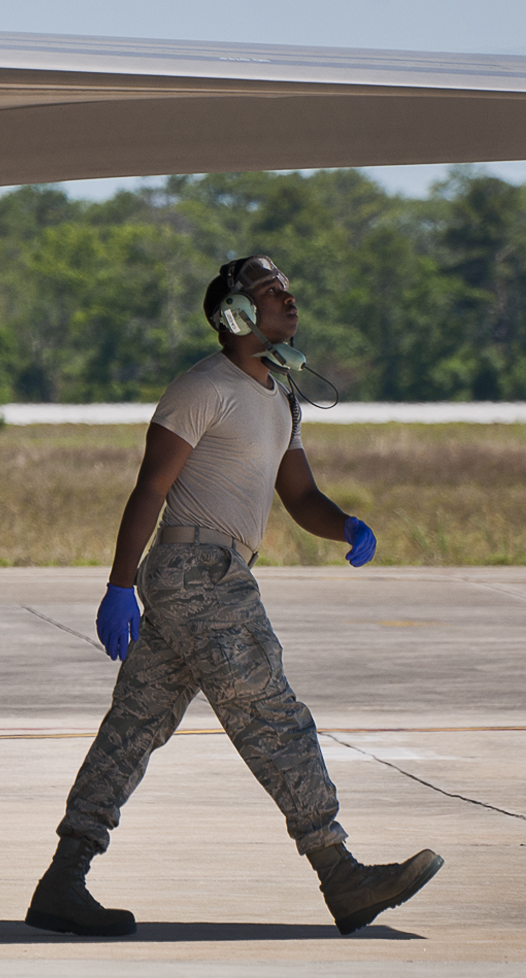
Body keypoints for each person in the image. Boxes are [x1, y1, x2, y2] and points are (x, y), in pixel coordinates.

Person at [25, 253, 442, 938]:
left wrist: (345, 525)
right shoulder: (202, 388)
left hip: (207, 574)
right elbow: (151, 488)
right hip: (199, 574)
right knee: (272, 715)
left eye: (288, 290)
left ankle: (63, 880)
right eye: (272, 292)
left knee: (133, 728)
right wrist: (119, 584)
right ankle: (339, 872)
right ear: (236, 314)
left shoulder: (281, 397)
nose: (289, 300)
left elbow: (300, 496)